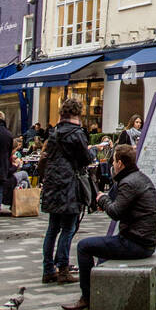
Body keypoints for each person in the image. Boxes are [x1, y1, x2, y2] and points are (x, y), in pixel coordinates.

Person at [62, 144, 156, 310]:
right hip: (145, 240)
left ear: (120, 163)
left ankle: (87, 297)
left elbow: (116, 212)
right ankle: (100, 292)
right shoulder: (139, 178)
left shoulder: (129, 182)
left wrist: (102, 199)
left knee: (83, 247)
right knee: (102, 250)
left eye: (114, 161)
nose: (112, 164)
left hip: (137, 243)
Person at [38, 97, 93, 285]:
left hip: (52, 183)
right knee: (68, 227)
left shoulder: (54, 133)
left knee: (52, 228)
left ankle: (47, 269)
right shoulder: (76, 134)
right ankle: (62, 269)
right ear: (77, 113)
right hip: (69, 183)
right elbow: (86, 158)